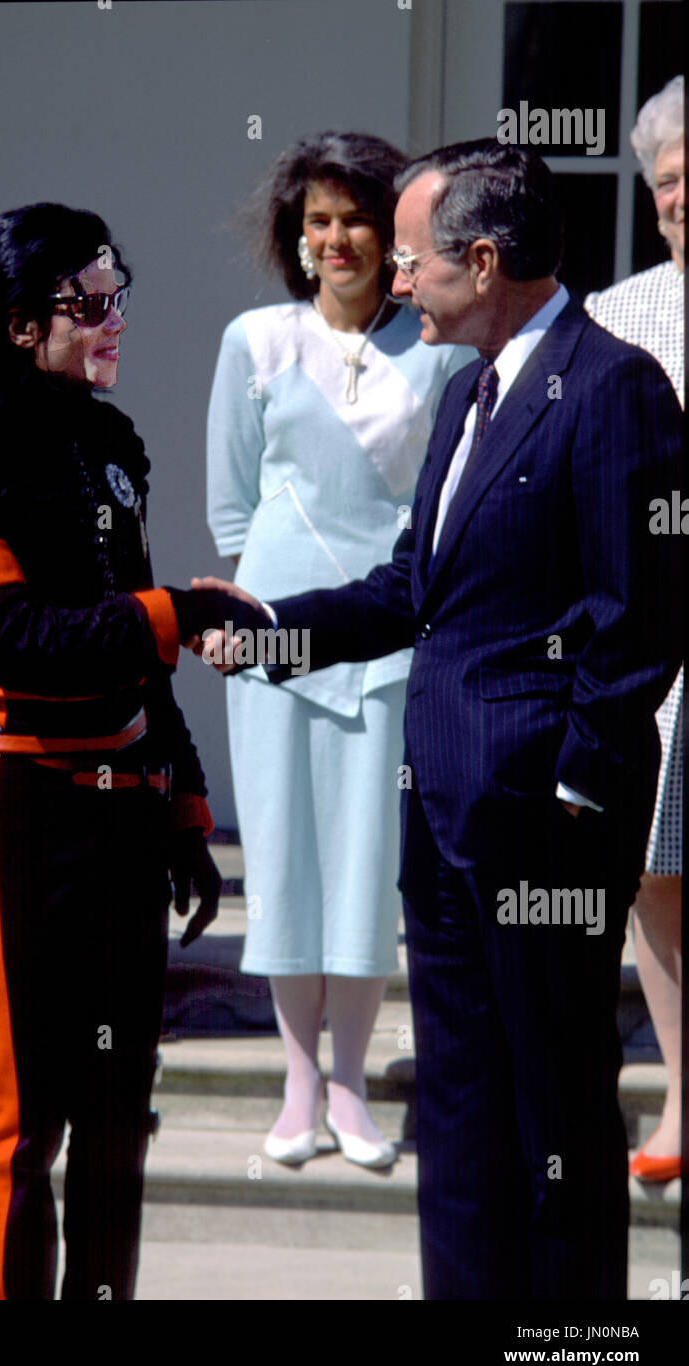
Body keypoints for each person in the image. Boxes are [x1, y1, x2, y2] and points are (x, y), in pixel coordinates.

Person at [194, 140, 683, 1299]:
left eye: (414, 260)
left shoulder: (611, 386)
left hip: (547, 825)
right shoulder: (465, 388)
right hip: (446, 814)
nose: (395, 281)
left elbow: (642, 617)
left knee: (554, 1099)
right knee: (458, 1100)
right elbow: (409, 589)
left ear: (482, 257)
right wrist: (264, 627)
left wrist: (573, 784)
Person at [0, 202, 254, 1300]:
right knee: (30, 1107)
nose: (114, 320)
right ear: (15, 325)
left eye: (118, 295)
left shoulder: (108, 442)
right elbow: (8, 637)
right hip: (25, 806)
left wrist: (187, 801)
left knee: (115, 1104)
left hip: (126, 799)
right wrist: (177, 613)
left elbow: (132, 638)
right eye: (88, 303)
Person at [206, 131, 472, 1168]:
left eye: (354, 217)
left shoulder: (439, 348)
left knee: (364, 861)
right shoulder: (254, 341)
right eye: (316, 220)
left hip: (391, 629)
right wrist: (250, 617)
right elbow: (232, 498)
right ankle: (296, 1082)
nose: (335, 238)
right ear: (295, 235)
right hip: (274, 628)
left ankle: (353, 1082)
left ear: (390, 227)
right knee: (280, 857)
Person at [584, 74, 684, 1185]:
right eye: (663, 182)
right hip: (656, 638)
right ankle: (677, 1097)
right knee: (655, 870)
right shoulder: (614, 317)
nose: (675, 200)